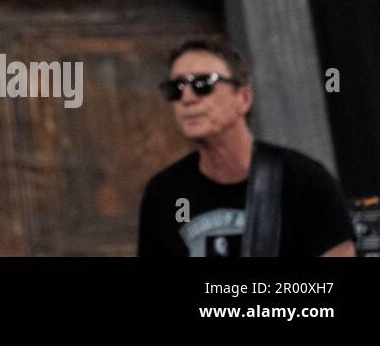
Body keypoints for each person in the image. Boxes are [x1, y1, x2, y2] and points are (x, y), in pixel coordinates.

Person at [137, 37, 355, 257]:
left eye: (203, 84)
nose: (187, 98)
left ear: (244, 98)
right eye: (175, 89)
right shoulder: (163, 193)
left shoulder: (304, 180)